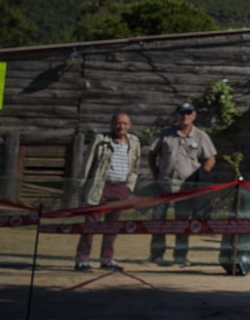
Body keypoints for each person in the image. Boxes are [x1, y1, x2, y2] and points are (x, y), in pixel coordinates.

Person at [146, 102, 216, 266]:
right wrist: (156, 174)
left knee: (182, 223)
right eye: (182, 113)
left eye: (188, 113)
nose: (185, 116)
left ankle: (180, 256)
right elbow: (151, 154)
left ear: (194, 116)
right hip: (164, 186)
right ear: (176, 116)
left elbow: (211, 158)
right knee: (158, 221)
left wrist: (199, 177)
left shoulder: (200, 136)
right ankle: (157, 256)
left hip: (186, 188)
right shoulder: (166, 134)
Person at [74, 111, 141, 271]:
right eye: (118, 123)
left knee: (112, 226)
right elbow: (87, 162)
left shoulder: (134, 142)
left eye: (125, 123)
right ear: (112, 124)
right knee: (90, 224)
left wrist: (129, 187)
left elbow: (135, 166)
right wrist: (81, 185)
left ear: (129, 126)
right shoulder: (100, 140)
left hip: (120, 188)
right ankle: (82, 259)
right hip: (100, 187)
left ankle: (107, 259)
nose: (121, 126)